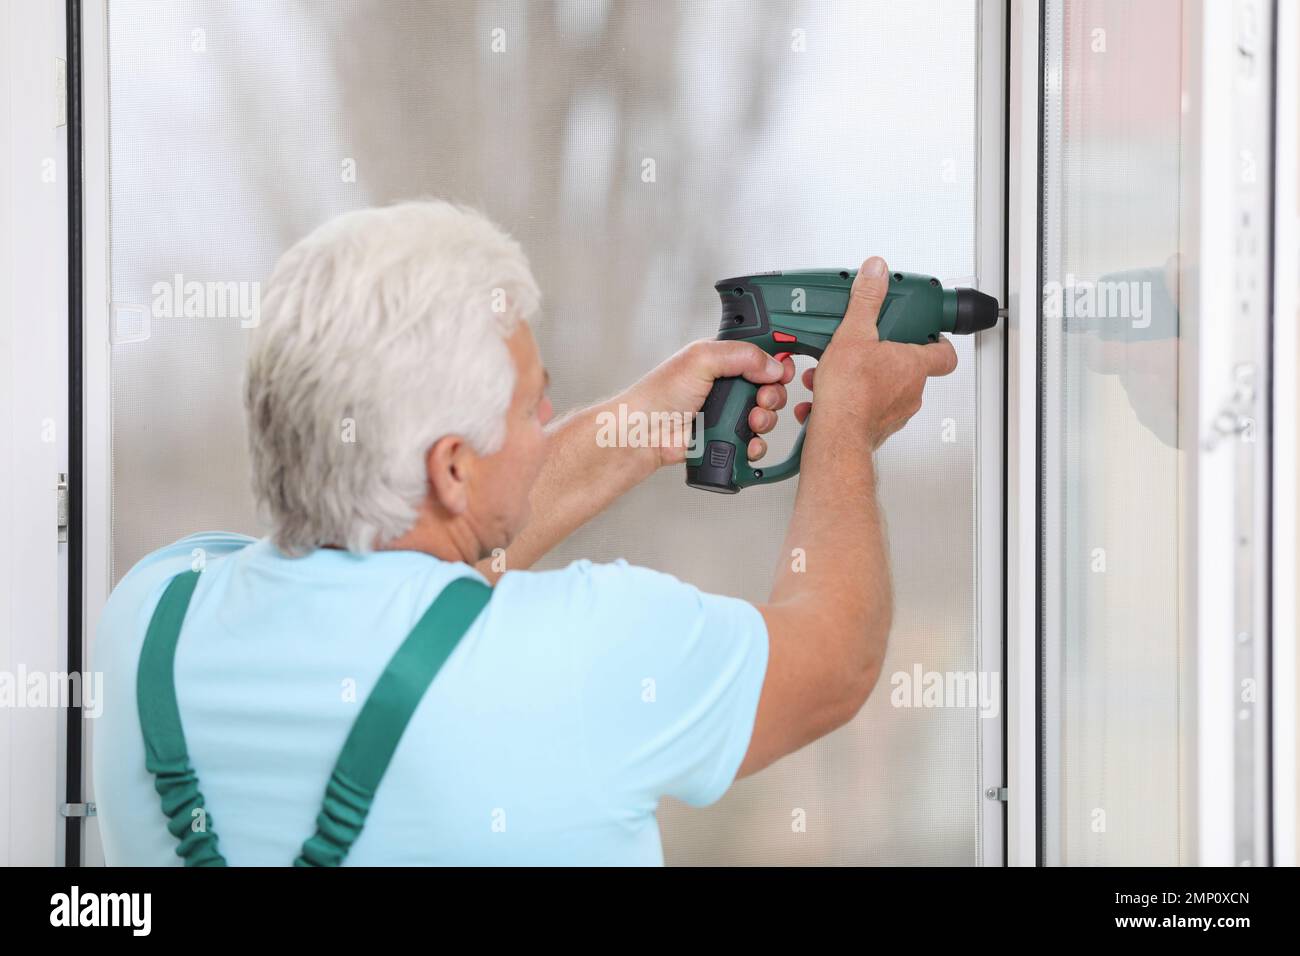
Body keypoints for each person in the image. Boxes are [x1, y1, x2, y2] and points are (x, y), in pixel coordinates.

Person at [93, 200, 957, 865]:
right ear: (452, 468)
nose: (549, 421)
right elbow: (835, 658)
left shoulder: (148, 618)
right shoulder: (591, 651)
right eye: (530, 406)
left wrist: (629, 431)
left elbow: (400, 572)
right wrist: (846, 424)